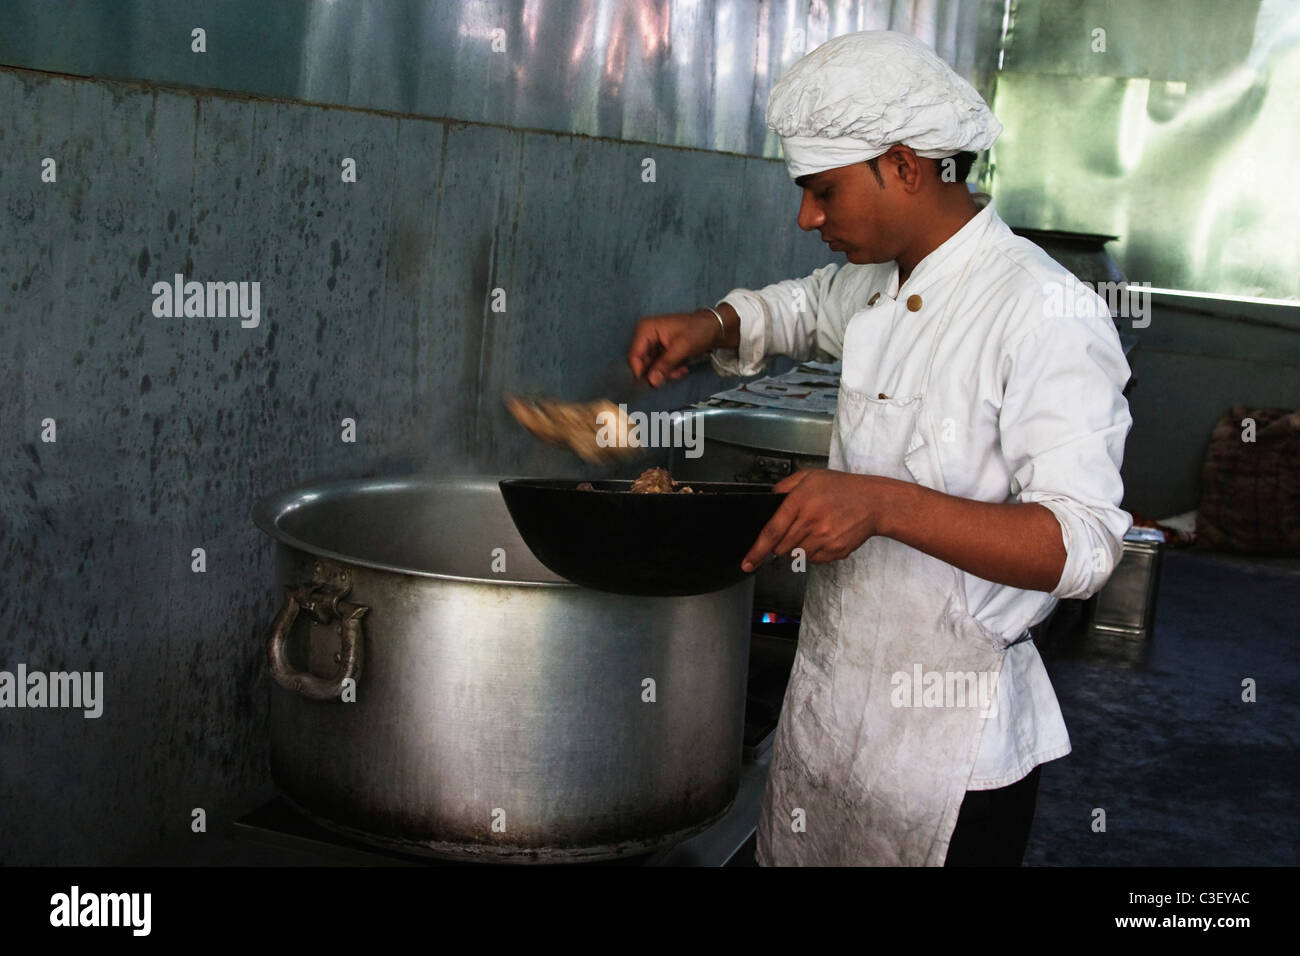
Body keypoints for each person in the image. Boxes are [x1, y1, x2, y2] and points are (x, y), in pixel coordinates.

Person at [626, 31, 1132, 866]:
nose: (807, 217)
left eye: (823, 191)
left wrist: (880, 502)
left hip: (948, 753)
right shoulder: (887, 275)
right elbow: (802, 307)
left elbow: (1080, 545)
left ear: (903, 165)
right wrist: (712, 324)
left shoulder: (1042, 312)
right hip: (830, 712)